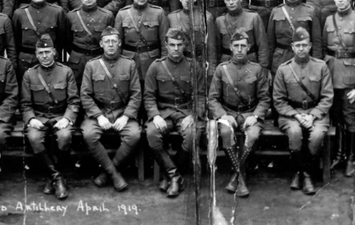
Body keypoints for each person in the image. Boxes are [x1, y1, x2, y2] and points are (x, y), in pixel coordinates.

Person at [208, 30, 271, 197]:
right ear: (230, 47)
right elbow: (212, 99)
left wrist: (255, 116)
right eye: (236, 46)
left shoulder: (256, 70)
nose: (240, 49)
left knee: (253, 135)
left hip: (250, 113)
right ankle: (241, 177)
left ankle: (236, 175)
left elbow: (265, 99)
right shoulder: (222, 70)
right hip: (228, 112)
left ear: (249, 47)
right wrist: (223, 115)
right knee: (226, 132)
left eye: (243, 46)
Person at [144, 28, 205, 198]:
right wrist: (155, 115)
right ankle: (175, 176)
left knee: (193, 134)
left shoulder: (194, 67)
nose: (176, 48)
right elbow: (148, 96)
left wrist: (193, 115)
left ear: (184, 45)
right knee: (152, 134)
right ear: (166, 45)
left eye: (179, 45)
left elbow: (201, 96)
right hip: (163, 112)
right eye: (172, 45)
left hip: (186, 111)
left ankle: (170, 175)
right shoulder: (156, 67)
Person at [272, 27, 333, 195]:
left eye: (304, 45)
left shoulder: (321, 67)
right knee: (294, 132)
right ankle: (303, 174)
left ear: (310, 46)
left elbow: (327, 97)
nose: (301, 49)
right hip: (291, 113)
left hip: (316, 112)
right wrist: (297, 115)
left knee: (317, 134)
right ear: (292, 47)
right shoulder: (283, 69)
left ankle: (302, 174)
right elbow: (278, 100)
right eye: (297, 45)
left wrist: (313, 116)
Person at [80, 26, 141, 192]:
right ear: (101, 44)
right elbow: (85, 95)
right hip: (99, 113)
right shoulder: (92, 66)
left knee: (134, 135)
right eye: (107, 42)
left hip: (122, 112)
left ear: (120, 43)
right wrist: (99, 117)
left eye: (114, 41)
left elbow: (136, 94)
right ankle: (114, 175)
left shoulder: (129, 64)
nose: (111, 45)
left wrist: (126, 117)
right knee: (89, 135)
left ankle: (107, 173)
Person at [21, 34, 79, 200]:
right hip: (39, 116)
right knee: (33, 137)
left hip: (60, 115)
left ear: (54, 52)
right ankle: (57, 177)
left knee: (65, 136)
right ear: (36, 54)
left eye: (47, 51)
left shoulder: (66, 71)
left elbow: (74, 101)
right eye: (41, 52)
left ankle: (52, 177)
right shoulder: (29, 74)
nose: (44, 56)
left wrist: (67, 119)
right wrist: (31, 119)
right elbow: (25, 104)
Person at [322, 0, 355, 177]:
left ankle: (351, 158)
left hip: (351, 77)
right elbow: (325, 50)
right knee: (336, 116)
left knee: (351, 118)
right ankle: (339, 155)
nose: (340, 0)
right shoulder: (329, 20)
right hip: (332, 76)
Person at [116, 0, 169, 85]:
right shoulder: (122, 14)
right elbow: (118, 44)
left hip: (151, 61)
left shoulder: (158, 13)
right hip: (128, 62)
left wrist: (163, 65)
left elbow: (164, 43)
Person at [12, 0, 67, 81]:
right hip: (27, 62)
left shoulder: (57, 12)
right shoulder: (19, 14)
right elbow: (15, 43)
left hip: (50, 62)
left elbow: (61, 42)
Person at [267, 0, 323, 74]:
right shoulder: (276, 11)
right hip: (280, 61)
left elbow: (317, 43)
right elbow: (270, 44)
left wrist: (316, 66)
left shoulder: (310, 11)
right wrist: (268, 69)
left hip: (304, 60)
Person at [65, 0, 115, 89]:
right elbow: (67, 41)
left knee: (99, 88)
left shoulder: (107, 16)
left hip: (98, 59)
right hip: (77, 62)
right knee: (76, 88)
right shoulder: (71, 16)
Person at [216, 0, 269, 69]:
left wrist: (263, 68)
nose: (231, 2)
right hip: (227, 65)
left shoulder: (253, 17)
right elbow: (216, 50)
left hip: (250, 62)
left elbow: (262, 46)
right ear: (224, 0)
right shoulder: (220, 21)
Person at [169, 0, 217, 71]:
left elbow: (211, 47)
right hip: (179, 62)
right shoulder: (172, 17)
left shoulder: (206, 17)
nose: (187, 0)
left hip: (199, 61)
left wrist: (211, 70)